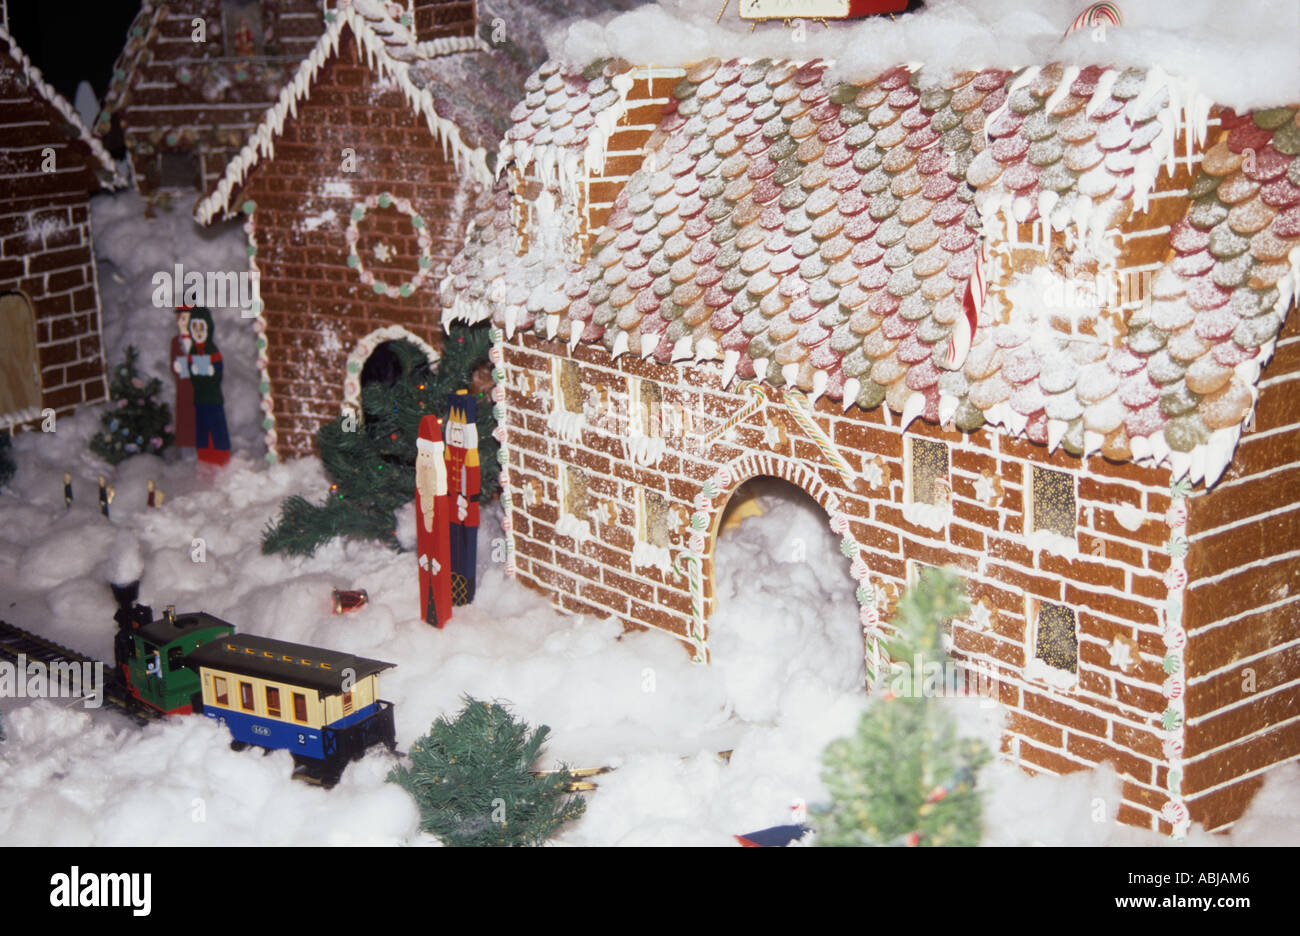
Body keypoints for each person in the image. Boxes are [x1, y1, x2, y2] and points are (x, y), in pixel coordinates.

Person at [414, 414, 452, 627]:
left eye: (430, 456)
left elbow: (438, 534)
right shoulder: (421, 489)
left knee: (438, 592)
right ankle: (428, 617)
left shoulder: (439, 494)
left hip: (437, 559)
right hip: (427, 556)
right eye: (423, 455)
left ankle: (439, 617)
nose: (426, 461)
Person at [444, 389, 481, 605]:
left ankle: (465, 592)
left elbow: (472, 483)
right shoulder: (450, 453)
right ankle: (452, 585)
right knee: (453, 545)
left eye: (461, 432)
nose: (457, 437)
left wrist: (465, 500)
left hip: (467, 511)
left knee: (466, 549)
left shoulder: (470, 456)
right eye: (454, 431)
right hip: (452, 508)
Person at [186, 307, 230, 466]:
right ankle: (204, 455)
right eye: (195, 327)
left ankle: (220, 454)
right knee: (202, 427)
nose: (198, 332)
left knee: (216, 425)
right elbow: (192, 376)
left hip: (213, 397)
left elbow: (218, 373)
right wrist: (195, 371)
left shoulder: (212, 350)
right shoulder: (192, 351)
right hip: (199, 398)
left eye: (201, 327)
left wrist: (212, 371)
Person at [170, 307, 196, 451]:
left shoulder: (199, 339)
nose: (182, 322)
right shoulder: (176, 341)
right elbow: (174, 365)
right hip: (184, 386)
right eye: (180, 319)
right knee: (185, 415)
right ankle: (186, 446)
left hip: (197, 386)